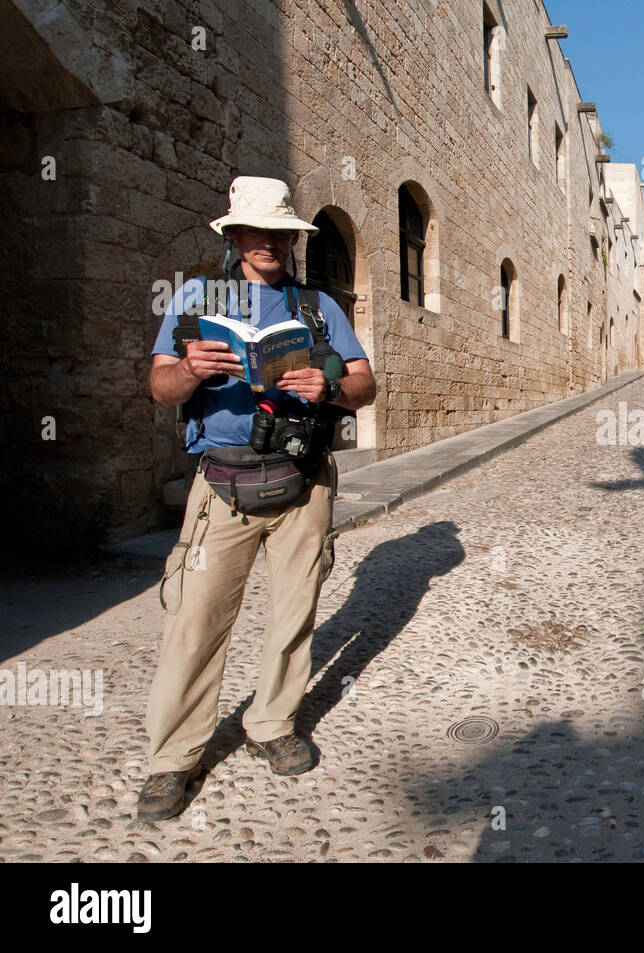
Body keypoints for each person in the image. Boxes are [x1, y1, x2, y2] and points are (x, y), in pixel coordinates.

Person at [138, 176, 377, 822]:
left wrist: (326, 389)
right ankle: (173, 758)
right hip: (223, 484)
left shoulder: (317, 308)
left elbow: (364, 384)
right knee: (195, 620)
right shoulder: (198, 298)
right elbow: (159, 384)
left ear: (292, 240)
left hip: (302, 481)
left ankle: (271, 721)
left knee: (294, 612)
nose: (268, 242)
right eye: (257, 231)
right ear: (235, 236)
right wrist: (190, 371)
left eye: (280, 232)